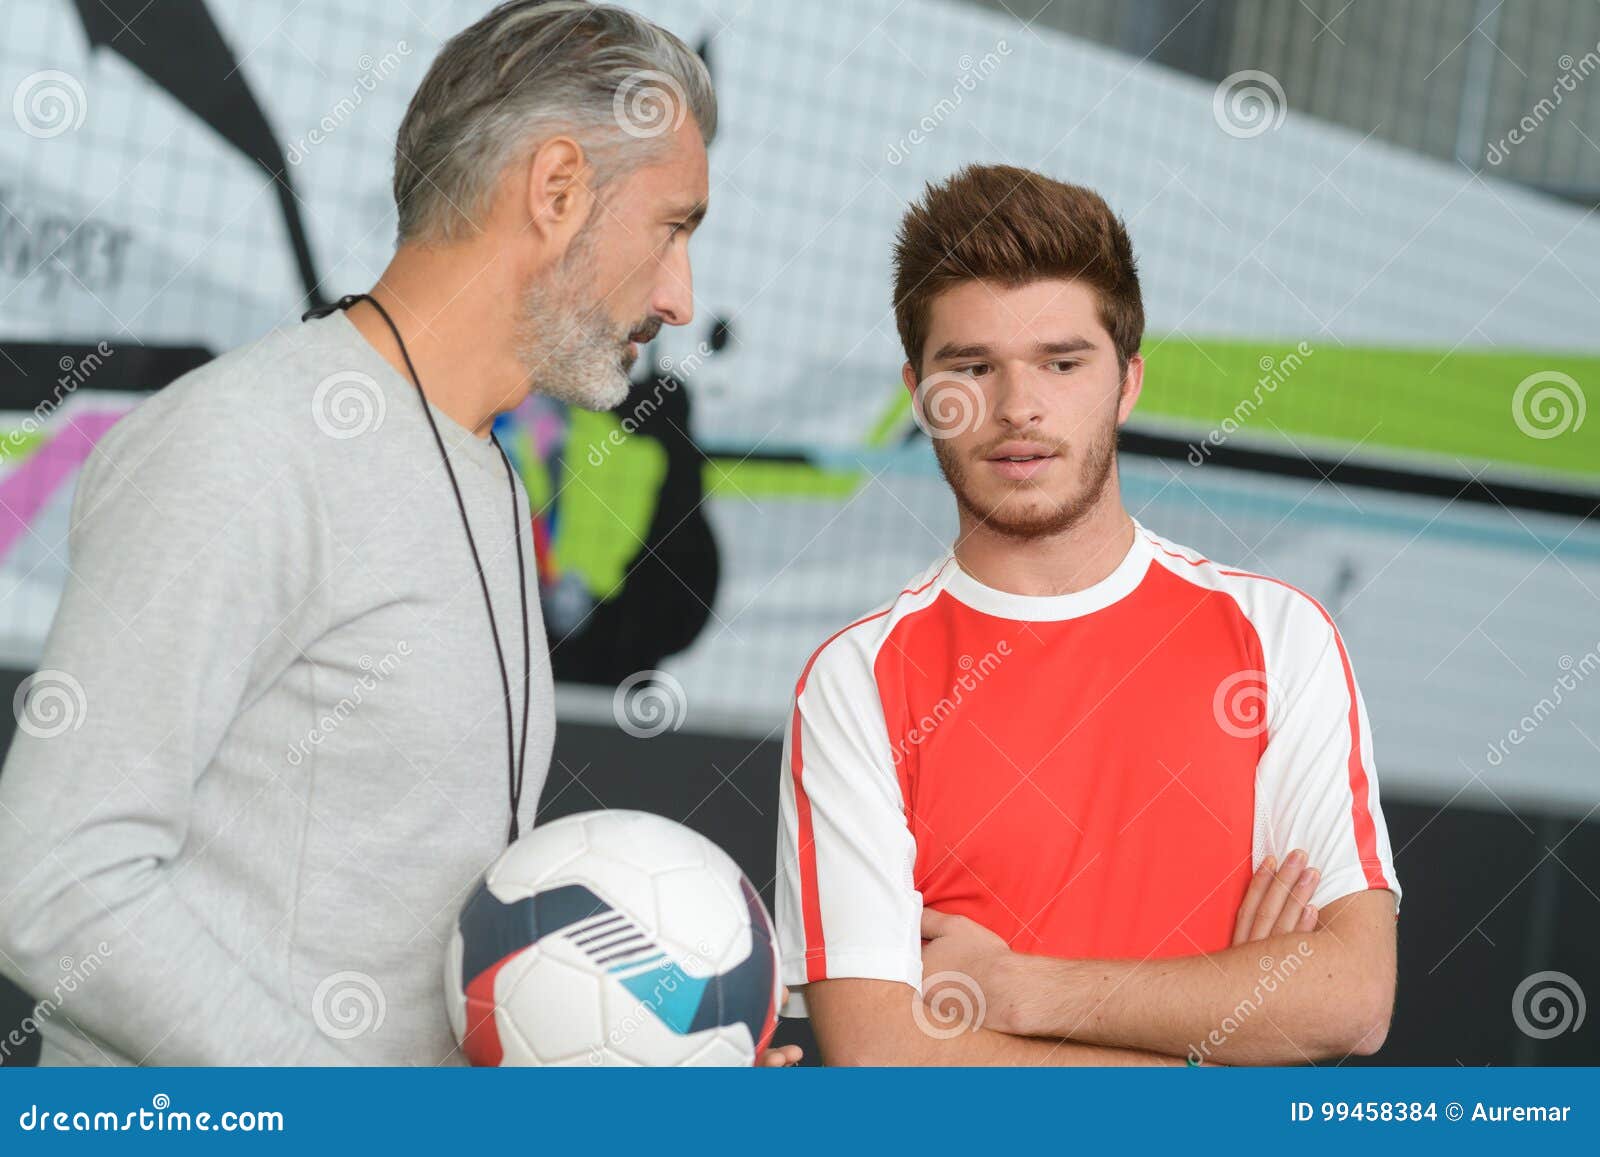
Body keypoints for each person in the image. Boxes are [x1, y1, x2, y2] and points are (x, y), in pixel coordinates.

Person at [0, 0, 797, 1067]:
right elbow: (50, 875)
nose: (681, 297)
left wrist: (645, 1055)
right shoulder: (245, 440)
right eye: (673, 227)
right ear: (556, 190)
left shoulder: (483, 469)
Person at [775, 163, 1400, 1065]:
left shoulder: (1275, 635)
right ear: (920, 393)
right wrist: (1222, 1039)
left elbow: (1348, 996)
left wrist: (1027, 989)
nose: (1018, 407)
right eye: (972, 367)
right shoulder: (856, 681)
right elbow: (888, 1065)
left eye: (1062, 364)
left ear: (1128, 382)